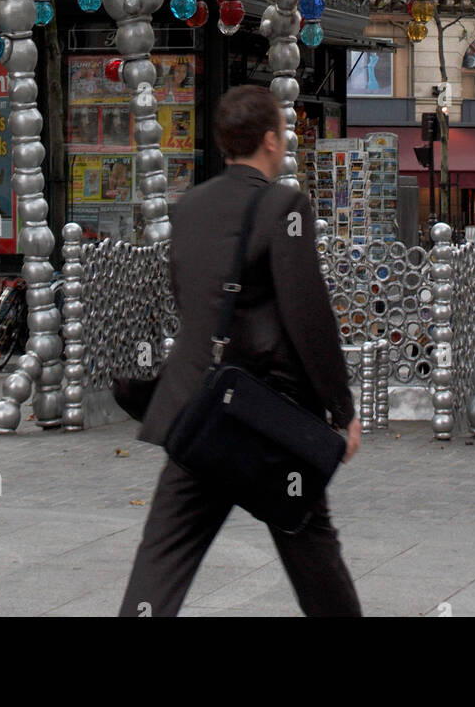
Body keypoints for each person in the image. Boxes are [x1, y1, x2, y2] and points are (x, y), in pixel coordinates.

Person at [118, 84, 362, 618]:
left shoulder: (190, 207)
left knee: (163, 556)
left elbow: (189, 302)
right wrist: (341, 412)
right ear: (272, 140)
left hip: (198, 409)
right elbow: (308, 315)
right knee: (311, 548)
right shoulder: (285, 206)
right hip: (266, 418)